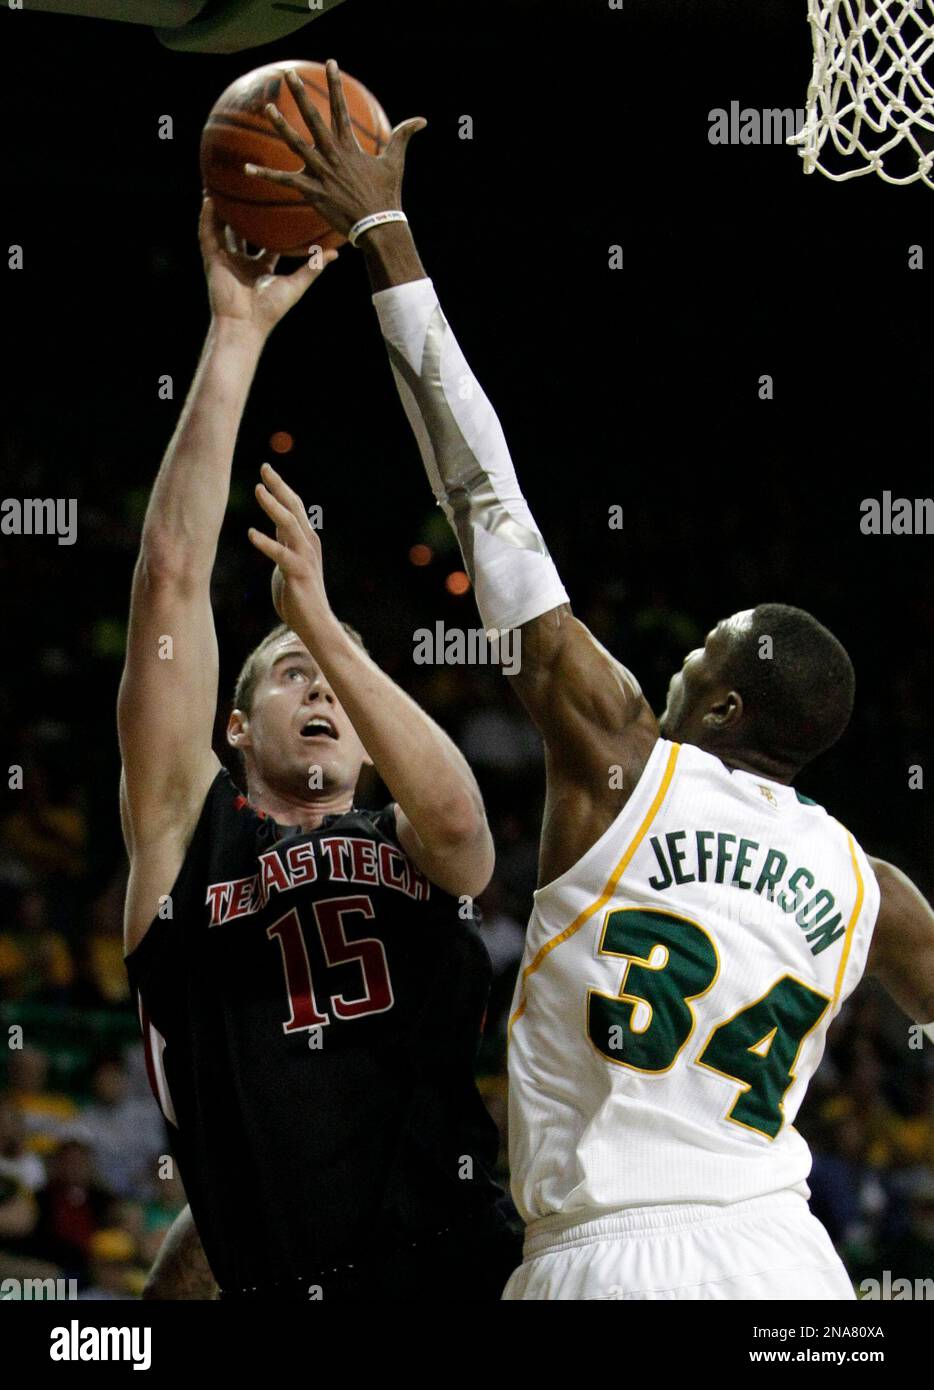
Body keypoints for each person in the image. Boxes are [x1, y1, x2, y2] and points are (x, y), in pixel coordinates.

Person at [247, 59, 934, 1300]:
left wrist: (385, 235)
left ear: (719, 707)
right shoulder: (873, 890)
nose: (663, 669)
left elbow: (486, 501)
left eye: (689, 661)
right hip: (793, 1263)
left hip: (608, 1261)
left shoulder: (618, 760)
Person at [118, 195, 519, 1301]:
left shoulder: (412, 834)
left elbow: (467, 836)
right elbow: (170, 579)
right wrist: (237, 331)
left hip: (462, 1264)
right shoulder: (184, 834)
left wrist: (328, 628)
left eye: (334, 682)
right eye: (286, 672)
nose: (320, 689)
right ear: (234, 727)